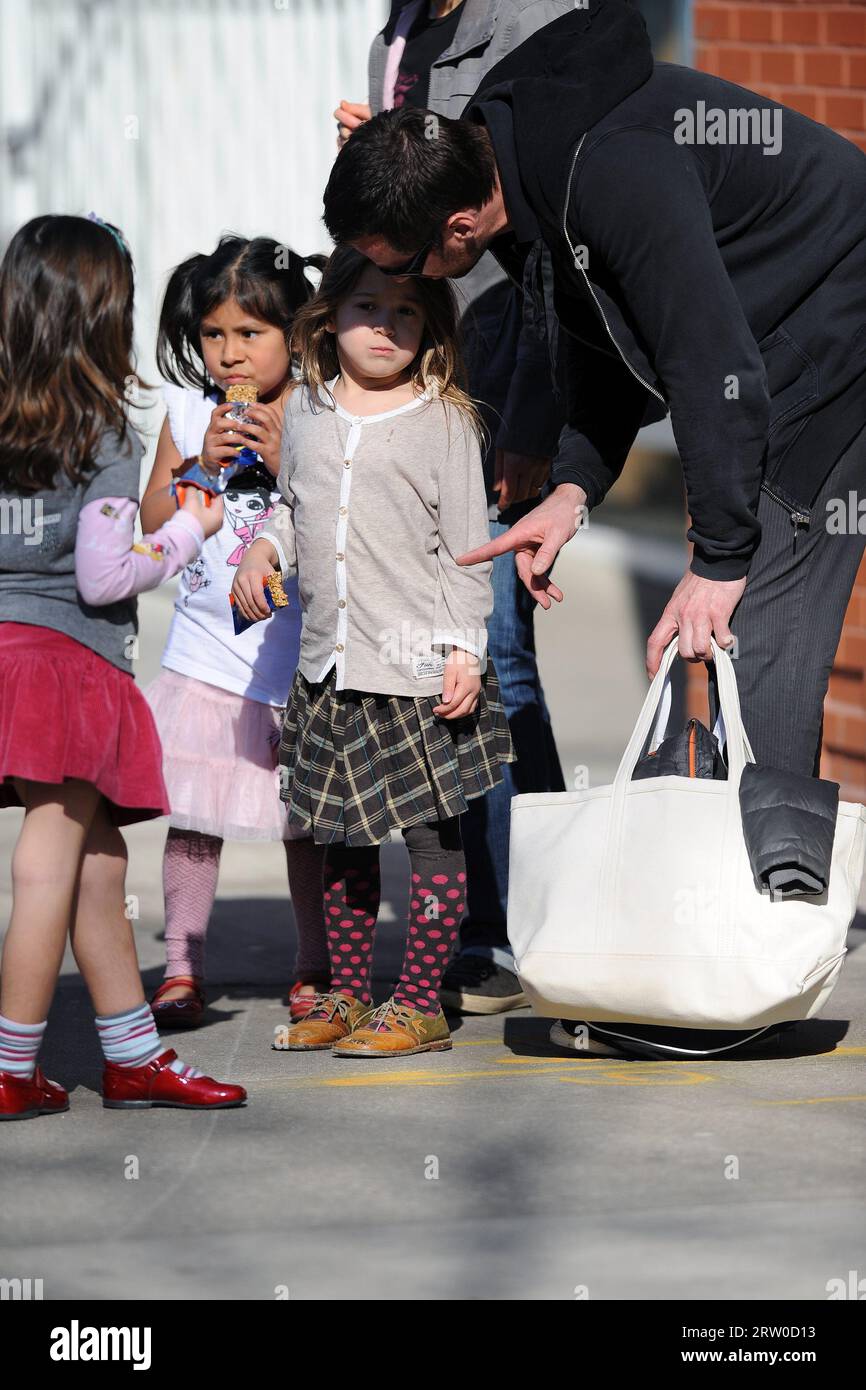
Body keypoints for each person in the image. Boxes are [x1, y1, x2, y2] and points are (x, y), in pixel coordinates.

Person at [322, 0, 866, 790]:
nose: (404, 287)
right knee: (740, 625)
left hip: (836, 321)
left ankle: (774, 893)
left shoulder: (609, 167)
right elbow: (604, 341)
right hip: (772, 330)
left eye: (404, 266)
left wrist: (717, 557)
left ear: (460, 227)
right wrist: (575, 488)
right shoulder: (512, 161)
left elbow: (709, 362)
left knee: (758, 626)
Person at [334, 0, 574, 1015]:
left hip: (494, 382)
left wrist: (529, 427)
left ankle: (532, 919)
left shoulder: (527, 15)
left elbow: (539, 263)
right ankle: (485, 919)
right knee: (445, 664)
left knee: (499, 662)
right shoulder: (399, 30)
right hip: (421, 369)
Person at [231, 245, 516, 1057]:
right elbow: (293, 507)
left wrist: (463, 652)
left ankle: (421, 1003)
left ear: (430, 328)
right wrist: (263, 551)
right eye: (367, 309)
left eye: (405, 313)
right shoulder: (312, 412)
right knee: (341, 839)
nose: (384, 327)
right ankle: (350, 996)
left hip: (418, 670)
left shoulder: (447, 423)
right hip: (331, 666)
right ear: (329, 319)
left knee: (431, 840)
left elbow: (468, 550)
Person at [0, 214, 246, 1116]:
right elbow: (107, 575)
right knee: (49, 865)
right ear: (106, 315)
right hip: (67, 669)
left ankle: (133, 1056)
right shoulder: (97, 433)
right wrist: (190, 528)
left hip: (6, 665)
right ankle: (12, 1068)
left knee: (100, 868)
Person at [139, 235, 331, 1028]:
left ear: (295, 334)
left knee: (307, 825)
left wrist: (285, 456)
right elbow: (151, 525)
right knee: (195, 820)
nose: (229, 355)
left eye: (250, 335)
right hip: (205, 660)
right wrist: (198, 472)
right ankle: (181, 964)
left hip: (294, 660)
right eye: (213, 336)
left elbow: (334, 511)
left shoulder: (319, 409)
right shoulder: (187, 413)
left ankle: (314, 964)